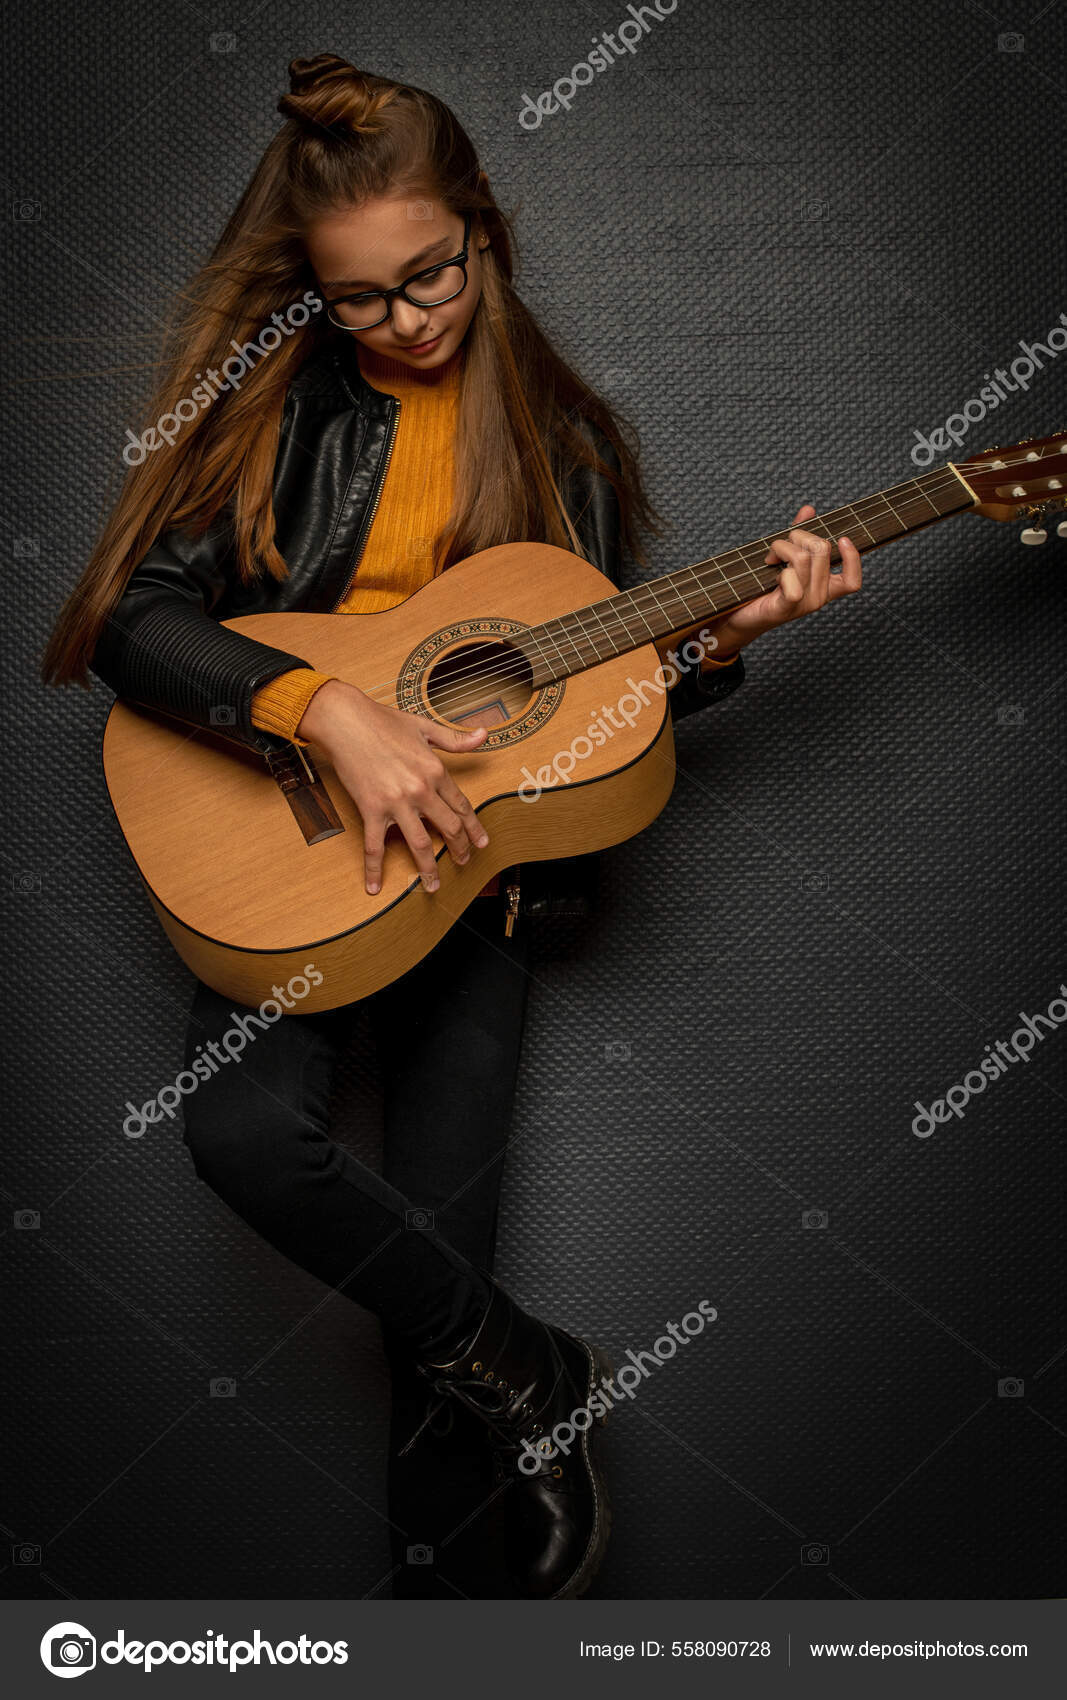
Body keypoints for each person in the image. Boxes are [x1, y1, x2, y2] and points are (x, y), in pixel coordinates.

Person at [41, 53, 863, 1601]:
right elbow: (130, 621)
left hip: (480, 882)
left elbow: (606, 707)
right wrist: (327, 714)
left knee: (437, 1308)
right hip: (281, 845)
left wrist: (723, 646)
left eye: (433, 277)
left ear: (485, 231)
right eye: (360, 300)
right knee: (242, 1135)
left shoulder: (566, 443)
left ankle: (454, 1620)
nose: (407, 321)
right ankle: (544, 1369)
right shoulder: (269, 407)